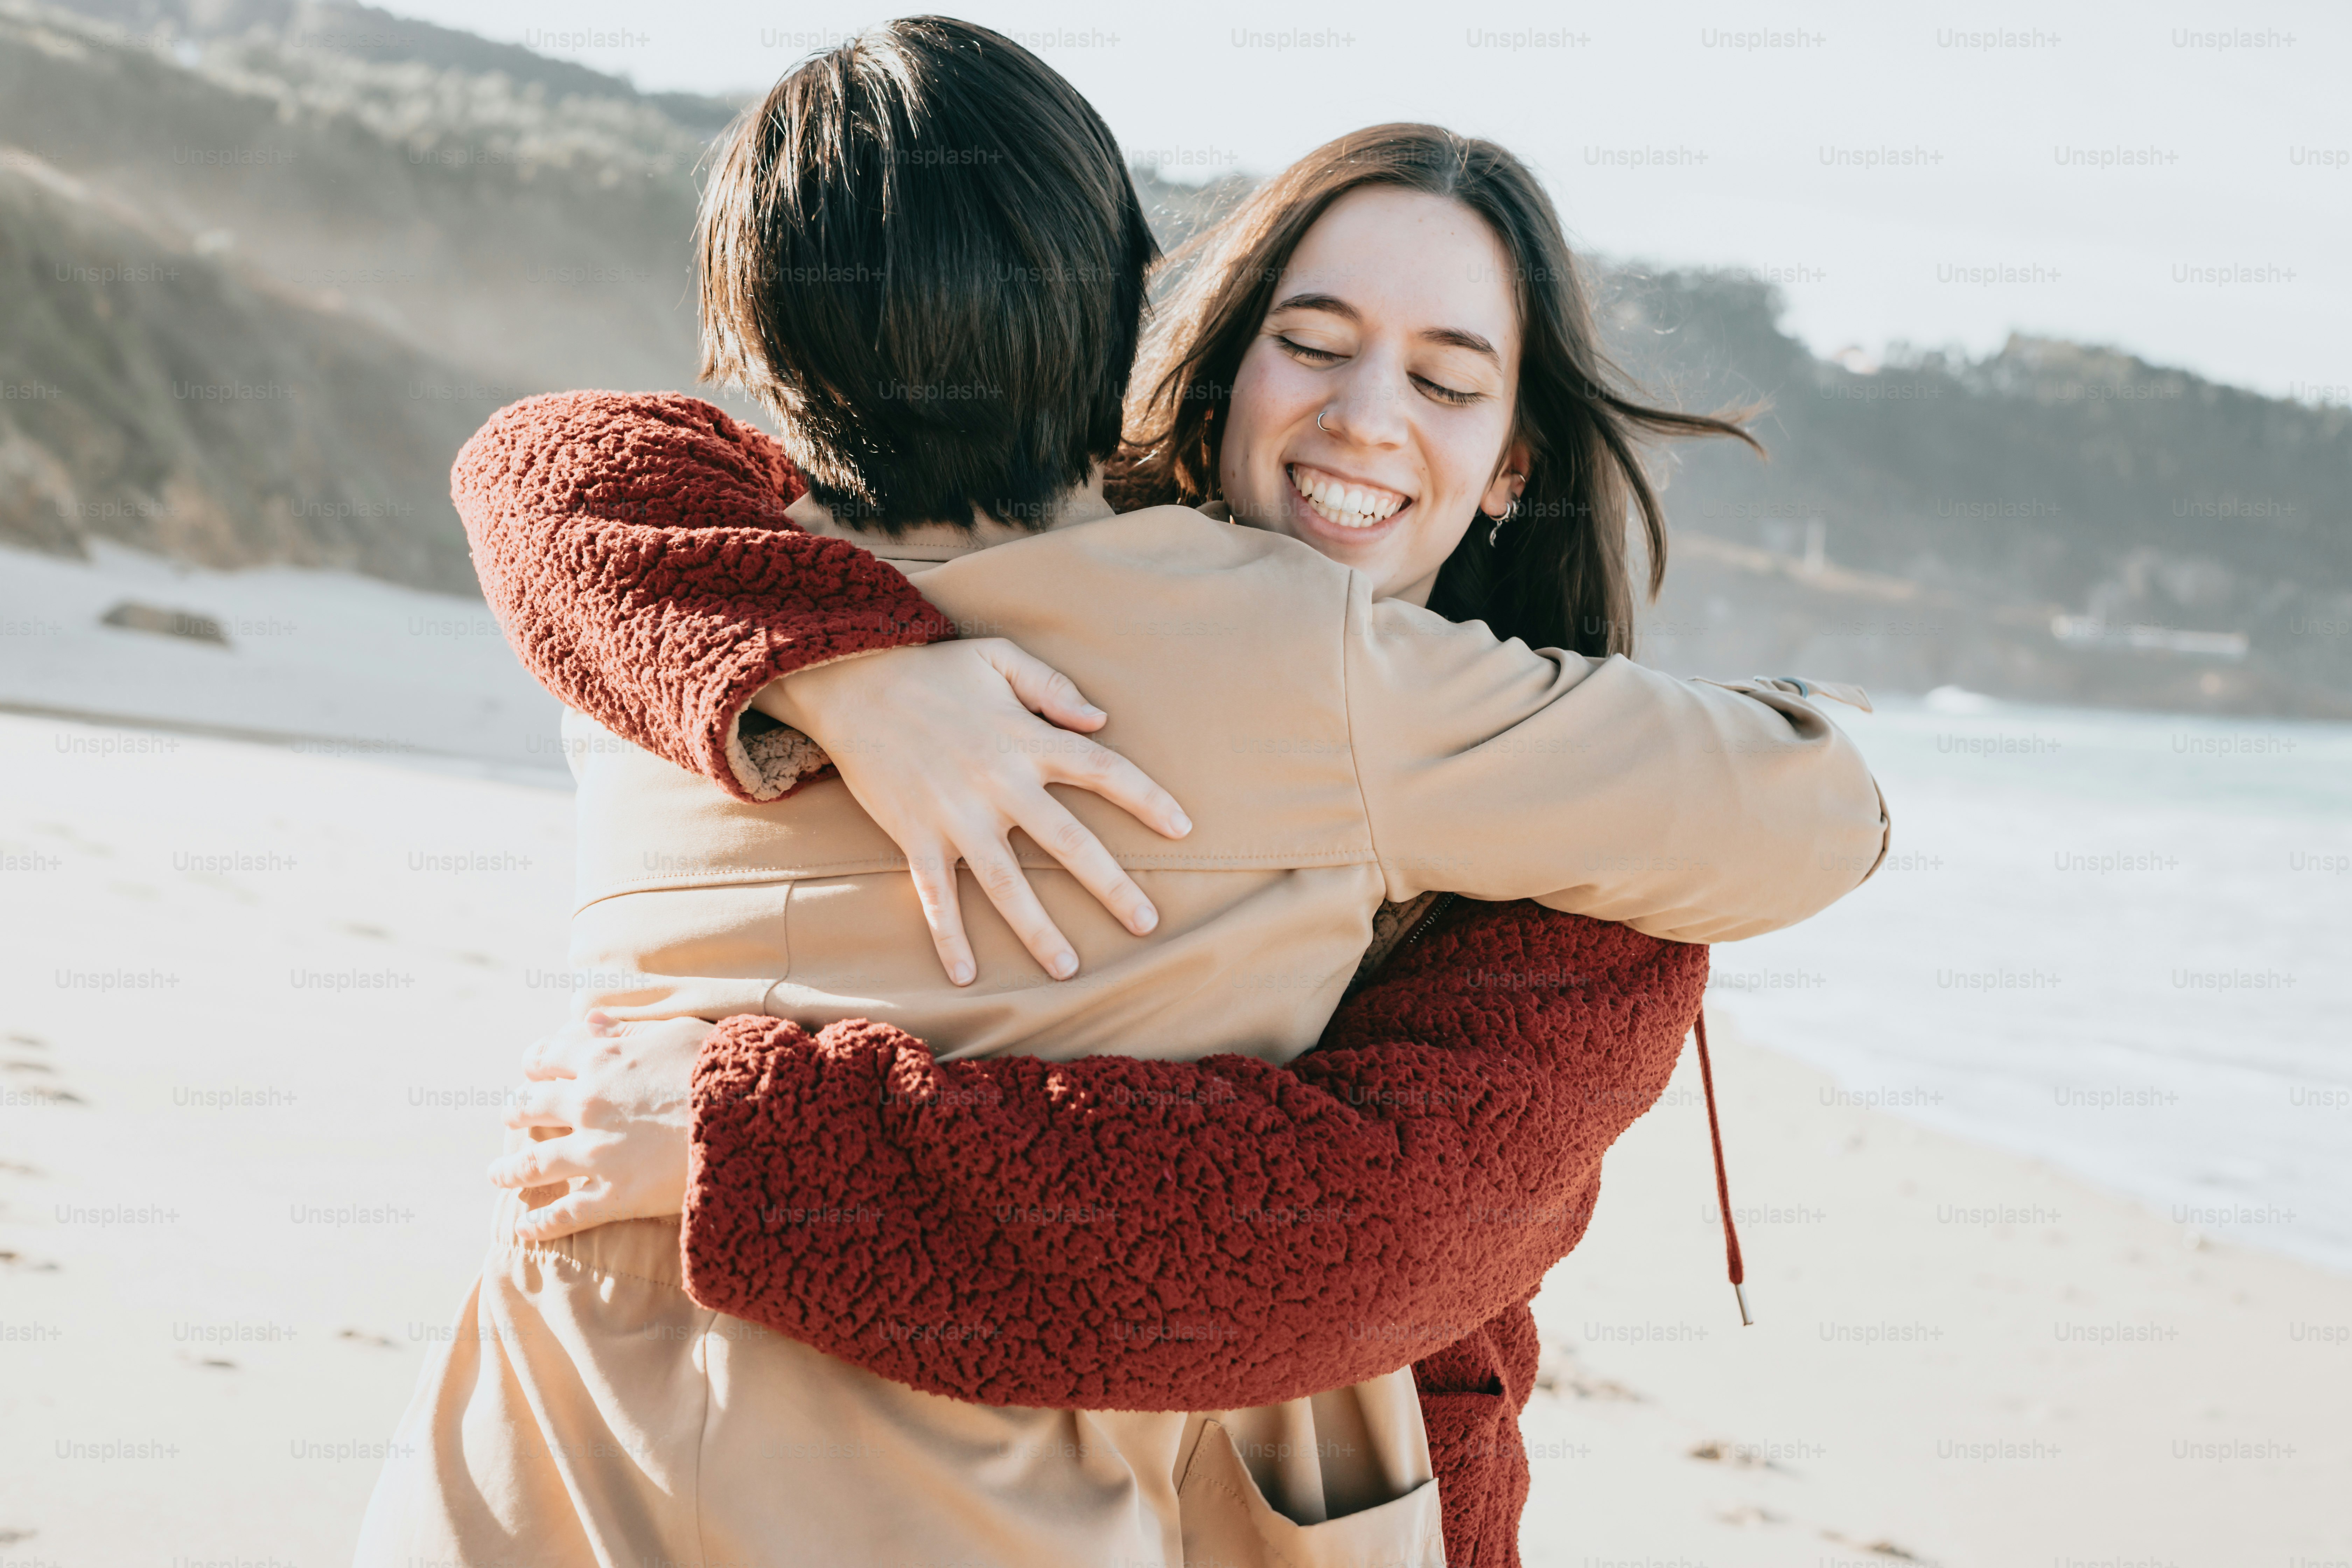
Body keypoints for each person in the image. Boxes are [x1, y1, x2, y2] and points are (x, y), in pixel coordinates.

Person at [357, 21, 1886, 1568]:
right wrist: (845, 669)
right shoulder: (1271, 660)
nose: (1367, 413)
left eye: (1445, 375)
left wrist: (747, 1141)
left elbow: (1330, 1241)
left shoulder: (672, 635)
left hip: (525, 1466)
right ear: (1178, 343)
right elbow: (1818, 806)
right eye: (1314, 340)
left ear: (1515, 458)